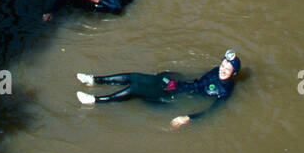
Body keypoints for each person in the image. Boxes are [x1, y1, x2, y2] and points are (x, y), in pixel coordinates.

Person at [75, 50, 241, 128]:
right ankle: (94, 80)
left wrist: (188, 117)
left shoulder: (224, 91)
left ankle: (95, 100)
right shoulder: (215, 70)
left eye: (227, 70)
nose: (222, 70)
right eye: (222, 65)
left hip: (174, 94)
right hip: (177, 84)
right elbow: (197, 79)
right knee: (135, 76)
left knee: (135, 87)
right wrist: (173, 75)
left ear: (234, 74)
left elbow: (210, 112)